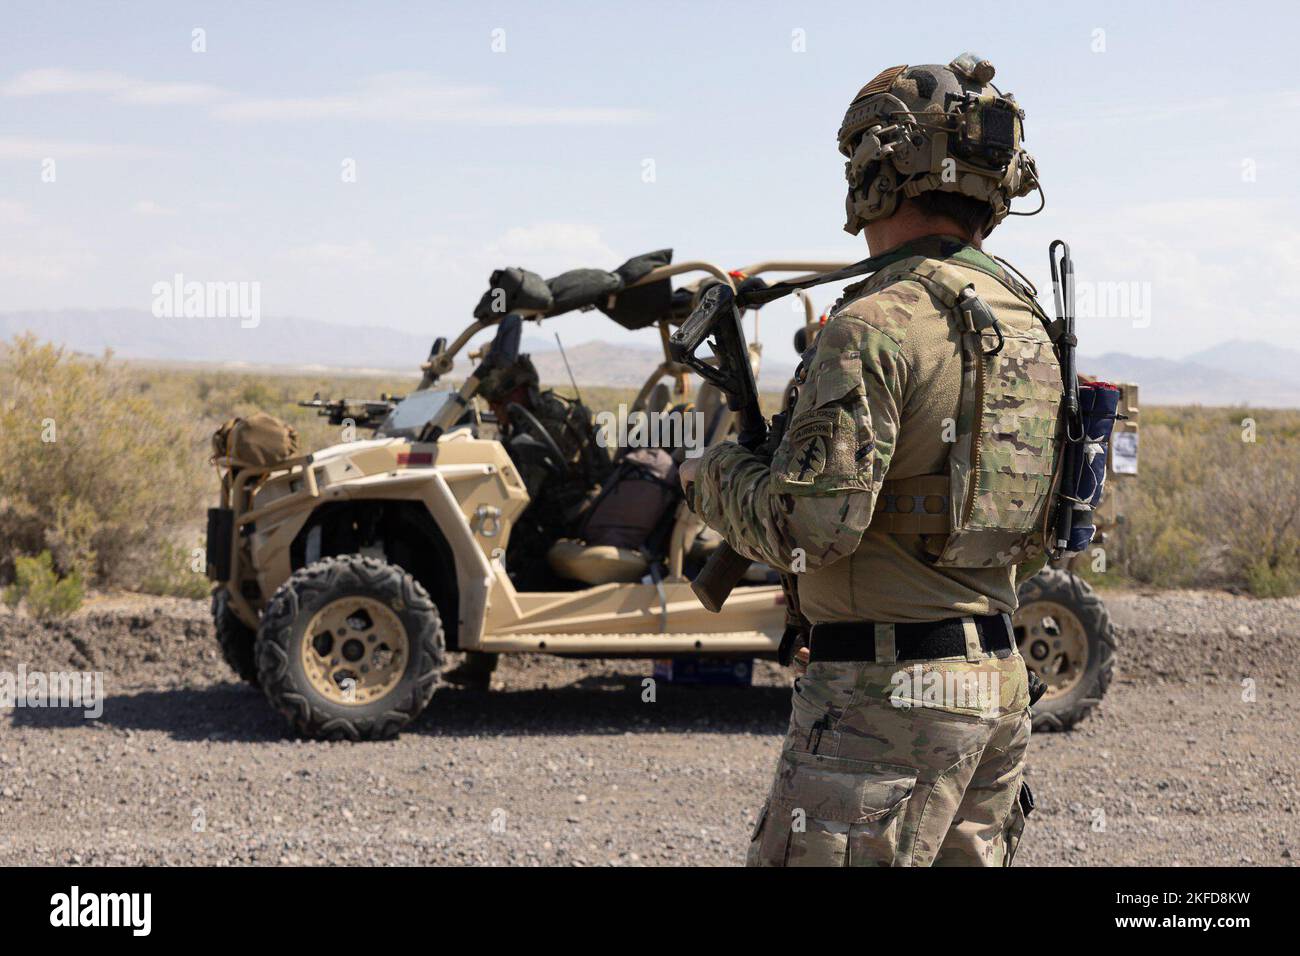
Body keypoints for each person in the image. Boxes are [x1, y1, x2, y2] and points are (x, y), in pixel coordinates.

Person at [678, 53, 1057, 866]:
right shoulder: (1028, 321)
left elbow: (810, 527)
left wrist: (709, 475)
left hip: (887, 701)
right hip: (994, 684)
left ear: (878, 171)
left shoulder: (876, 323)